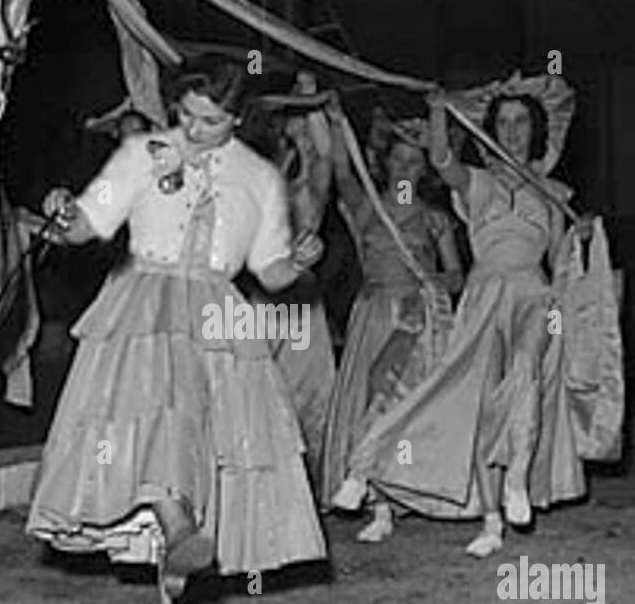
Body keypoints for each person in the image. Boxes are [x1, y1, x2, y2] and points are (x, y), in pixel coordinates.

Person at [25, 61, 327, 604]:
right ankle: (181, 528)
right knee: (161, 437)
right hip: (145, 308)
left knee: (202, 462)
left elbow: (268, 273)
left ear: (238, 118)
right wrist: (63, 211)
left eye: (210, 121)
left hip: (217, 317)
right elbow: (88, 223)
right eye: (185, 114)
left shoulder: (260, 177)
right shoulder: (144, 152)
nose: (193, 128)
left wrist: (298, 262)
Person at [333, 70, 600, 557]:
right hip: (483, 296)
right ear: (492, 129)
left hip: (534, 295)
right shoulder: (476, 183)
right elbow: (440, 159)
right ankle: (470, 511)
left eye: (521, 121)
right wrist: (438, 109)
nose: (512, 131)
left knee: (525, 368)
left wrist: (579, 239)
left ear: (534, 128)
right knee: (473, 404)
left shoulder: (554, 192)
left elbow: (561, 260)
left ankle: (517, 476)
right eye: (503, 122)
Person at [320, 97, 463, 542]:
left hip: (416, 318)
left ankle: (406, 490)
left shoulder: (435, 218)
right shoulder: (365, 205)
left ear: (425, 170)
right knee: (371, 402)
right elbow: (341, 170)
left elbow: (458, 276)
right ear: (385, 162)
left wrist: (432, 283)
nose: (404, 169)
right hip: (373, 313)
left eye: (414, 162)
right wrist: (336, 120)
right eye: (397, 159)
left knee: (405, 407)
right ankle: (378, 504)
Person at [240, 70, 337, 491]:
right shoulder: (249, 180)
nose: (286, 135)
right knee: (258, 393)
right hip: (258, 299)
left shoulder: (307, 191)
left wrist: (311, 100)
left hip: (302, 305)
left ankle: (308, 492)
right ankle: (259, 488)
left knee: (312, 397)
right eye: (281, 128)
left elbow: (324, 158)